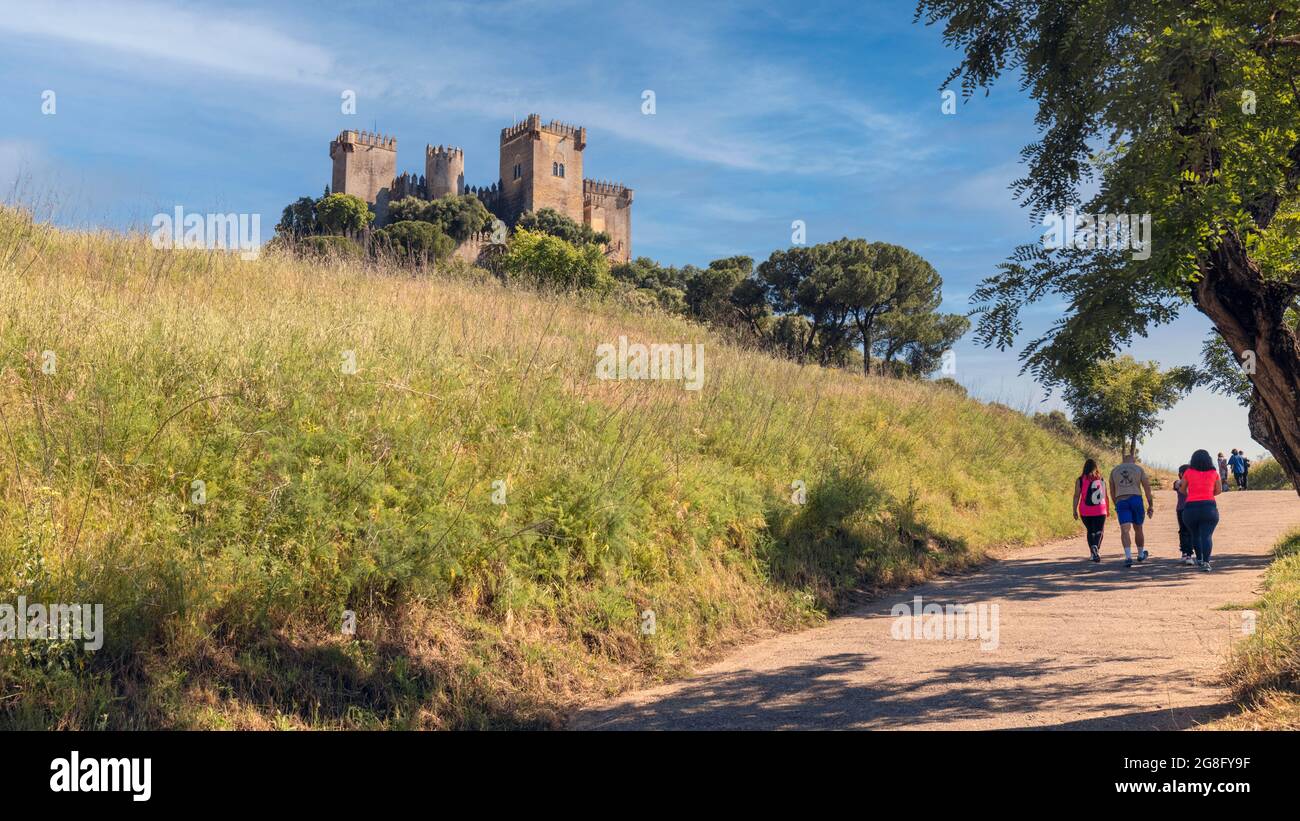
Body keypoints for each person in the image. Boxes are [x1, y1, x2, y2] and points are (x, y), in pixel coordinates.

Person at [1109, 452, 1154, 568]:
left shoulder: (1114, 471)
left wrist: (1116, 504)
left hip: (1121, 500)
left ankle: (1128, 557)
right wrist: (1150, 505)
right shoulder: (1138, 469)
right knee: (1138, 528)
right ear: (1133, 461)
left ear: (1123, 461)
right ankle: (1140, 554)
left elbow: (1112, 491)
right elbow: (1147, 488)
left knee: (1125, 530)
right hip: (1136, 499)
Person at [1183, 449, 1223, 571]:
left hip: (1191, 508)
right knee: (1207, 536)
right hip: (1209, 507)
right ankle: (1206, 562)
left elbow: (1182, 489)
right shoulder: (1214, 473)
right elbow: (1219, 490)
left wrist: (1190, 495)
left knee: (1195, 534)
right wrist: (1208, 494)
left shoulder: (1188, 472)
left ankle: (1199, 558)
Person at [1073, 458, 1110, 563]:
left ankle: (1093, 553)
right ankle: (1095, 548)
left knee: (1090, 531)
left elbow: (1076, 496)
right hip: (1100, 509)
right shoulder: (1101, 479)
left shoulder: (1080, 480)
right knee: (1099, 531)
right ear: (1096, 468)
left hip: (1085, 510)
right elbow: (1106, 496)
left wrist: (1074, 510)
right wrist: (1108, 509)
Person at [1172, 464, 1194, 565]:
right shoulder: (1178, 482)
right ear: (1181, 474)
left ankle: (1188, 554)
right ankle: (1185, 553)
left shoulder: (1193, 482)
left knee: (1189, 532)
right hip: (1182, 509)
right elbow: (1177, 485)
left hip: (1189, 509)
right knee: (1183, 531)